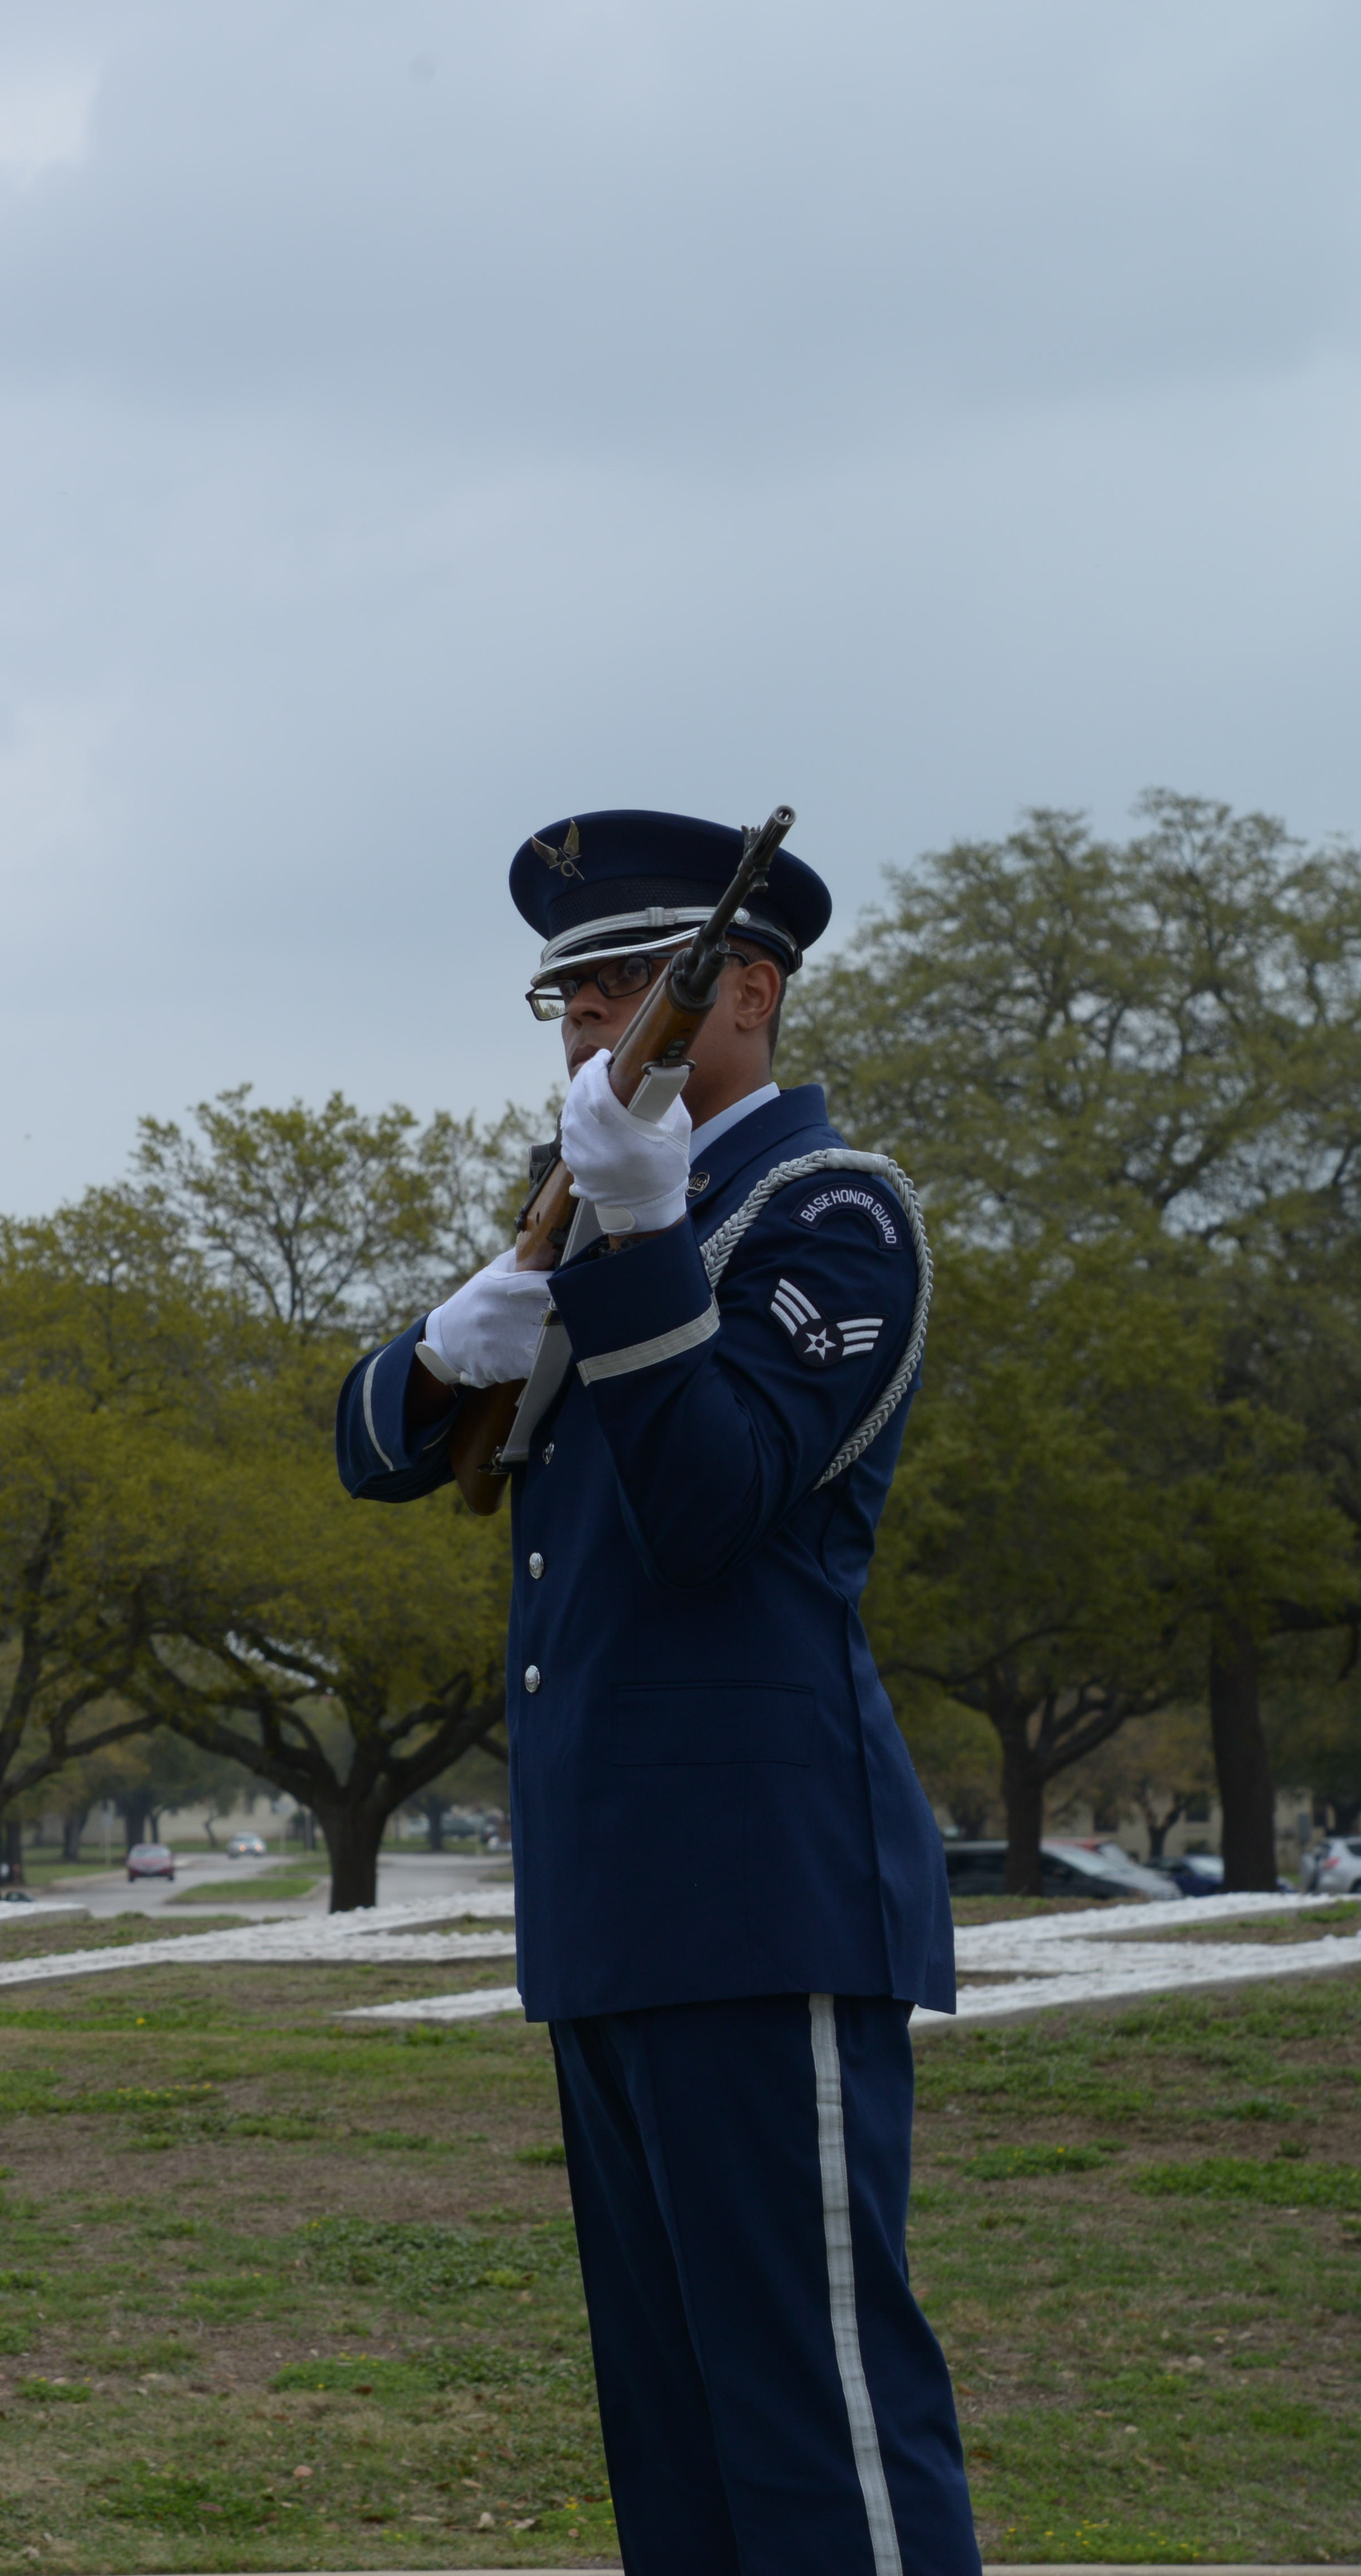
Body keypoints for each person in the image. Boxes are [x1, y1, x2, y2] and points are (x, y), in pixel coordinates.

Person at [336, 809, 974, 2575]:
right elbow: (370, 1451)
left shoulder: (829, 1214)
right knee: (677, 2444)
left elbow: (709, 1506)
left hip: (764, 1895)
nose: (592, 1035)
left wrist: (633, 1229)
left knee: (818, 2424)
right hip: (616, 1900)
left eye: (633, 993)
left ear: (747, 995)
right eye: (573, 1001)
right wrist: (438, 1357)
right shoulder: (616, 1220)